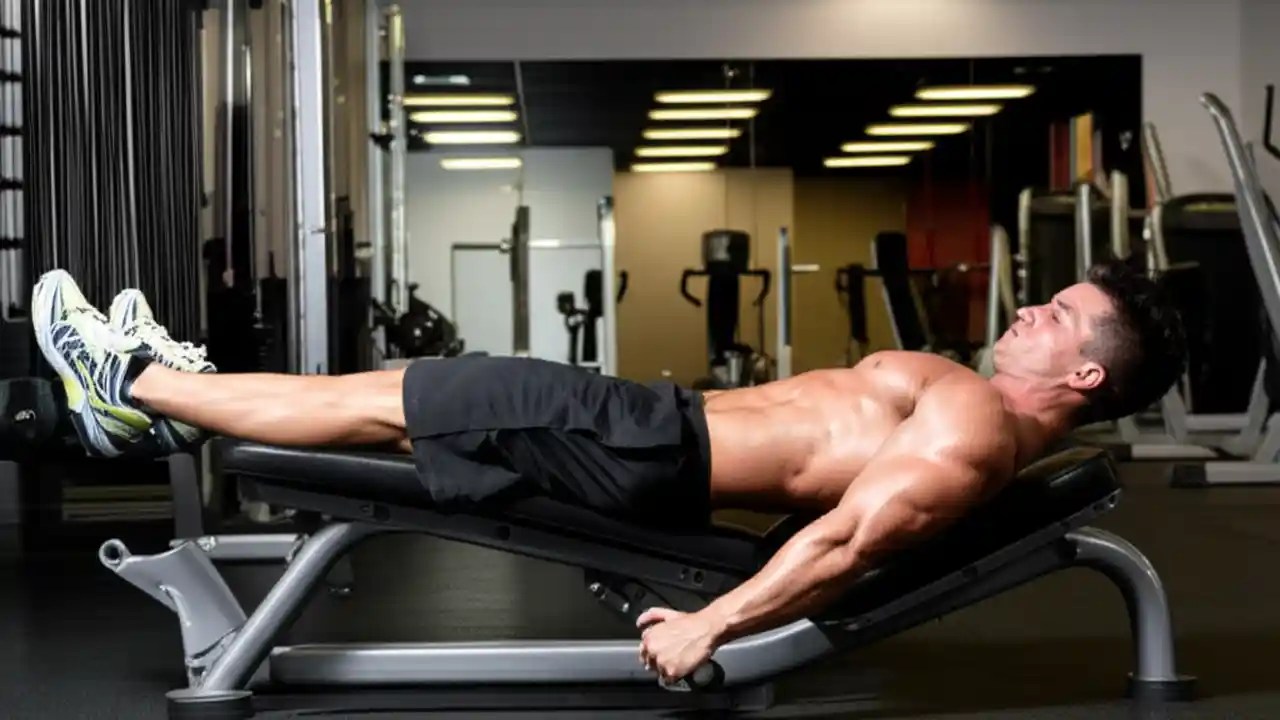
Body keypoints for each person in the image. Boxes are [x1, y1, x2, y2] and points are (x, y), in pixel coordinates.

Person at [29, 260, 1185, 685]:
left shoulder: (973, 423)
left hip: (643, 439)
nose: (1027, 312)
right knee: (382, 416)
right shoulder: (985, 422)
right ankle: (165, 395)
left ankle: (127, 386)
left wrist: (709, 629)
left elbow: (851, 542)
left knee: (378, 399)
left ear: (1082, 377)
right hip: (652, 438)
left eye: (1053, 316)